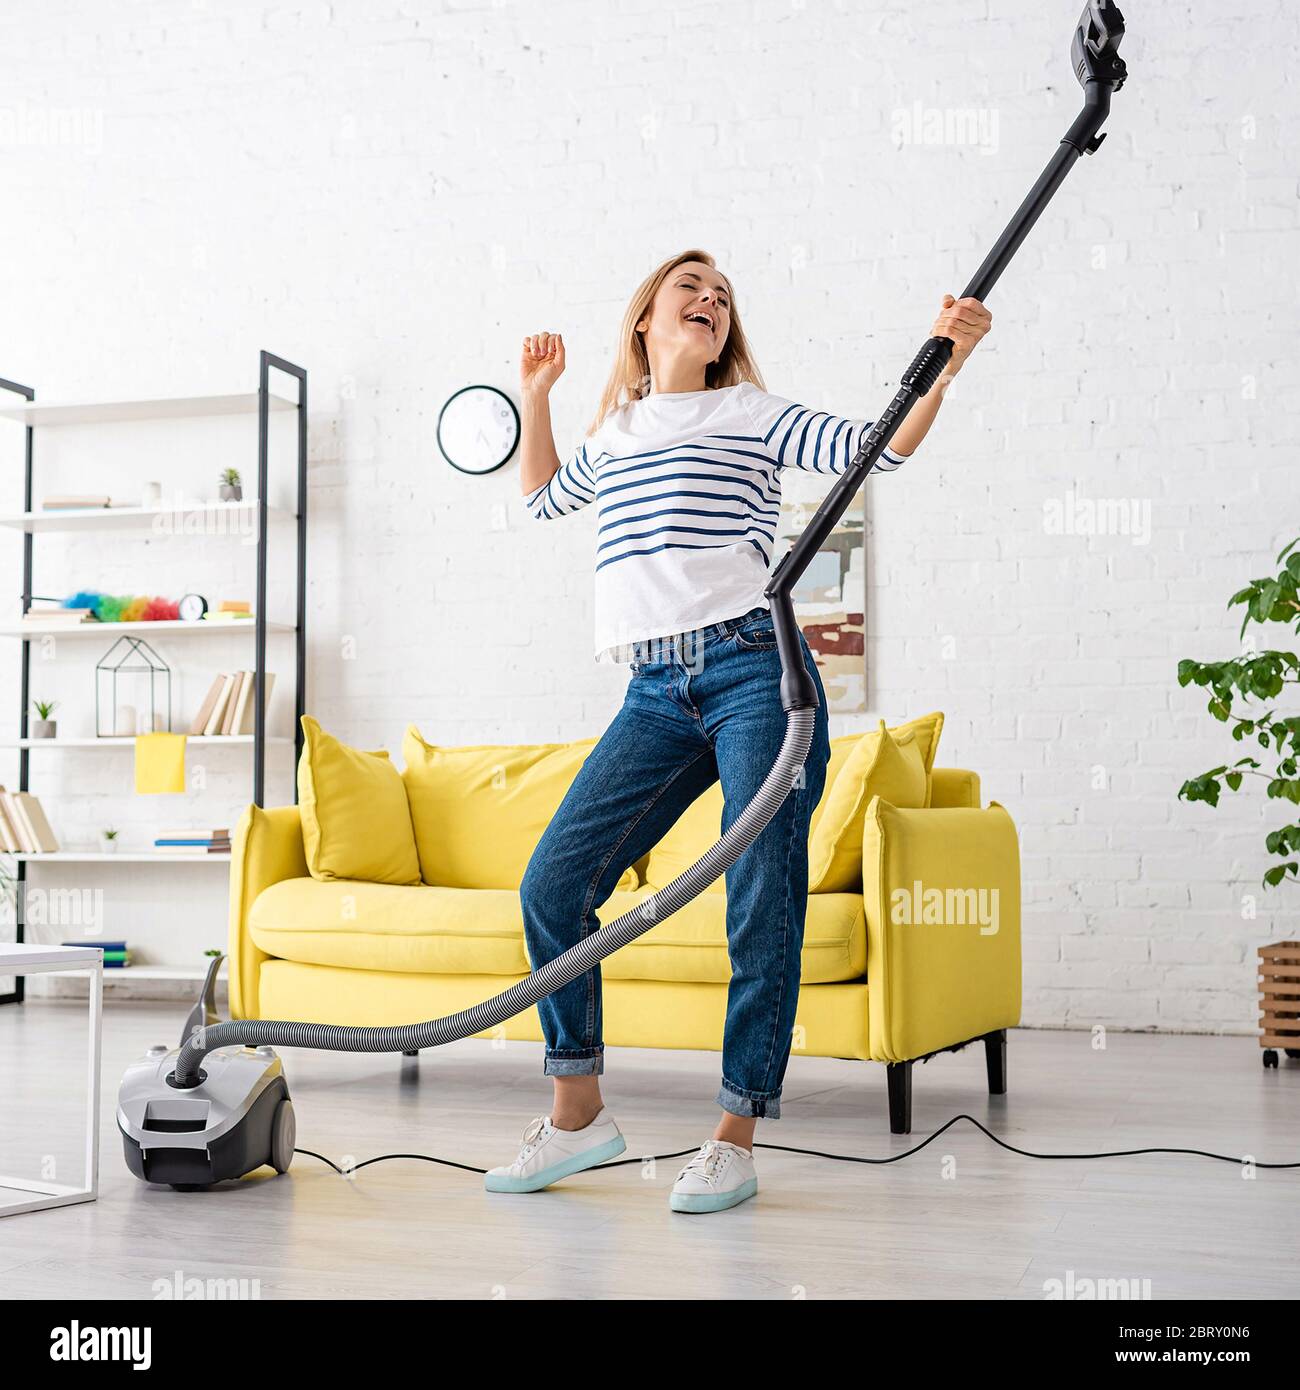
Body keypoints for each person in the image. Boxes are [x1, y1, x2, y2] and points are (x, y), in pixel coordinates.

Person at [486, 249, 991, 1212]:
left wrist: (947, 360)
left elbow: (880, 446)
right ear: (646, 319)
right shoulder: (620, 429)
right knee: (554, 882)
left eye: (722, 296)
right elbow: (544, 496)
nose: (710, 302)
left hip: (754, 669)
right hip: (649, 688)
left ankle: (735, 1135)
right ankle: (579, 1114)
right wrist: (535, 394)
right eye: (691, 289)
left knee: (759, 889)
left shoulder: (749, 411)